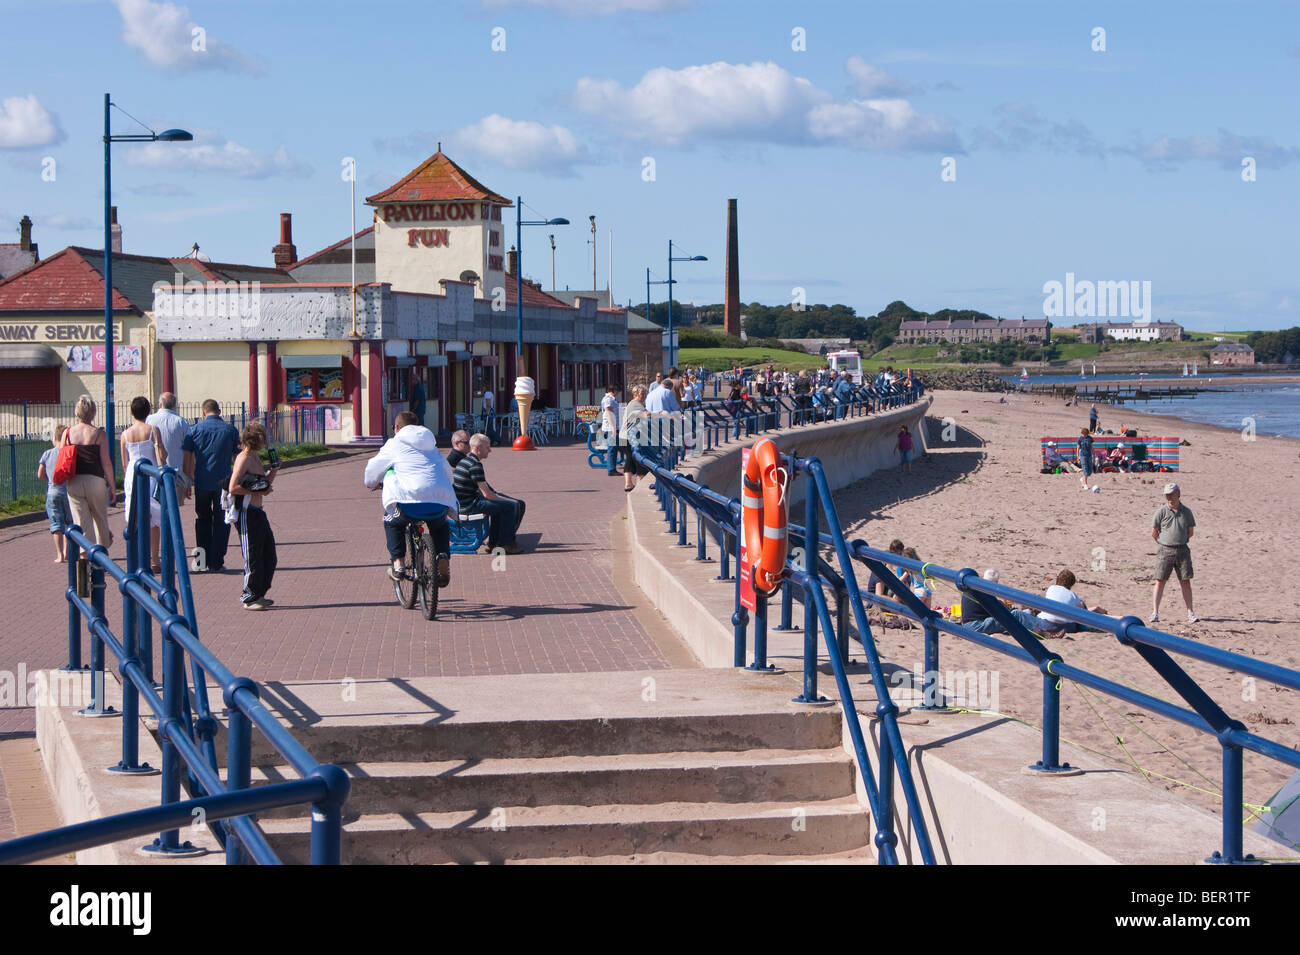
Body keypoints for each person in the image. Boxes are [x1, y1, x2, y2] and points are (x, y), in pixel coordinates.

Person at [364, 411, 457, 587]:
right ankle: (443, 556)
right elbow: (448, 475)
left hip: (409, 503)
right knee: (440, 524)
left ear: (397, 428)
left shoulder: (394, 444)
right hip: (439, 501)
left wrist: (371, 484)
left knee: (391, 521)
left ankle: (398, 564)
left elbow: (372, 471)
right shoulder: (432, 445)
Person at [183, 399, 240, 572]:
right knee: (222, 521)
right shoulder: (231, 430)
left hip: (202, 481)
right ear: (220, 411)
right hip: (224, 482)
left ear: (203, 412)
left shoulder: (194, 430)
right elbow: (238, 457)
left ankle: (200, 561)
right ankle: (217, 561)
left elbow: (187, 458)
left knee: (202, 520)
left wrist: (188, 480)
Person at [228, 422, 278, 610]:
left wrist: (274, 470)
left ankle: (260, 593)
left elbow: (264, 484)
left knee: (269, 555)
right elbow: (233, 487)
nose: (265, 441)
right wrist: (254, 491)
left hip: (258, 512)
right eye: (262, 437)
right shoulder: (244, 458)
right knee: (253, 556)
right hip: (247, 513)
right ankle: (249, 597)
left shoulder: (255, 457)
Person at [454, 433, 524, 553]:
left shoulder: (466, 461)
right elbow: (487, 495)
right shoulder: (475, 465)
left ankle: (494, 542)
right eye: (487, 447)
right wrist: (509, 501)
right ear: (477, 448)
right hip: (470, 505)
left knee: (501, 507)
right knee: (510, 507)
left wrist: (499, 498)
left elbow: (486, 491)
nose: (490, 450)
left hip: (464, 503)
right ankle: (505, 545)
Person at [62, 395, 116, 548]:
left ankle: (85, 555)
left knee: (81, 522)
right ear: (93, 412)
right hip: (95, 480)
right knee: (100, 519)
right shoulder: (99, 434)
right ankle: (101, 556)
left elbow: (62, 457)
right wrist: (112, 485)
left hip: (74, 481)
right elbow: (106, 463)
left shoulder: (67, 433)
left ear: (77, 411)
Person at [120, 396, 166, 571]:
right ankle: (154, 559)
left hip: (133, 474)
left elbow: (125, 463)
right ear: (148, 412)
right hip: (151, 473)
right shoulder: (153, 430)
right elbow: (162, 455)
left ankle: (139, 557)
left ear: (132, 412)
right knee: (154, 518)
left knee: (135, 516)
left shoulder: (125, 434)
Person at [1151, 483, 1197, 624]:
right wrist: (1164, 542)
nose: (1169, 497)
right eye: (1167, 495)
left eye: (1171, 494)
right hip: (1165, 549)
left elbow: (1190, 532)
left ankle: (1190, 612)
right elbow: (1154, 533)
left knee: (1185, 581)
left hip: (1182, 549)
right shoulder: (1161, 512)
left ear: (1178, 493)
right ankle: (1155, 612)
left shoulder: (1187, 512)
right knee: (1160, 581)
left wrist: (1181, 540)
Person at [146, 392, 191, 505]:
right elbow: (188, 451)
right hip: (176, 474)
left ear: (160, 404)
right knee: (173, 510)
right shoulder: (181, 422)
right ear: (174, 405)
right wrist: (188, 478)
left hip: (153, 472)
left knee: (155, 510)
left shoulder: (149, 420)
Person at [37, 425, 73, 562]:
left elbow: (40, 474)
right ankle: (67, 552)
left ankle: (59, 555)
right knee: (69, 523)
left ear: (54, 438)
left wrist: (50, 479)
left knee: (56, 525)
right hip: (67, 492)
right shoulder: (68, 454)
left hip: (53, 492)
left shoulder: (47, 454)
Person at [619, 385, 650, 492]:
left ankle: (629, 484)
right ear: (636, 394)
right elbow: (646, 415)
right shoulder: (635, 405)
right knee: (639, 460)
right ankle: (639, 483)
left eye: (646, 393)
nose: (645, 396)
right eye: (643, 393)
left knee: (630, 459)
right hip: (629, 438)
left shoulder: (634, 404)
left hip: (625, 436)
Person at [600, 384, 621, 477]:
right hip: (610, 427)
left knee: (614, 448)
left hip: (613, 427)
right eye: (618, 391)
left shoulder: (611, 399)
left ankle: (612, 468)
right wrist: (613, 428)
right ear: (614, 390)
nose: (618, 393)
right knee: (612, 449)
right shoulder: (608, 399)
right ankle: (611, 469)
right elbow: (608, 412)